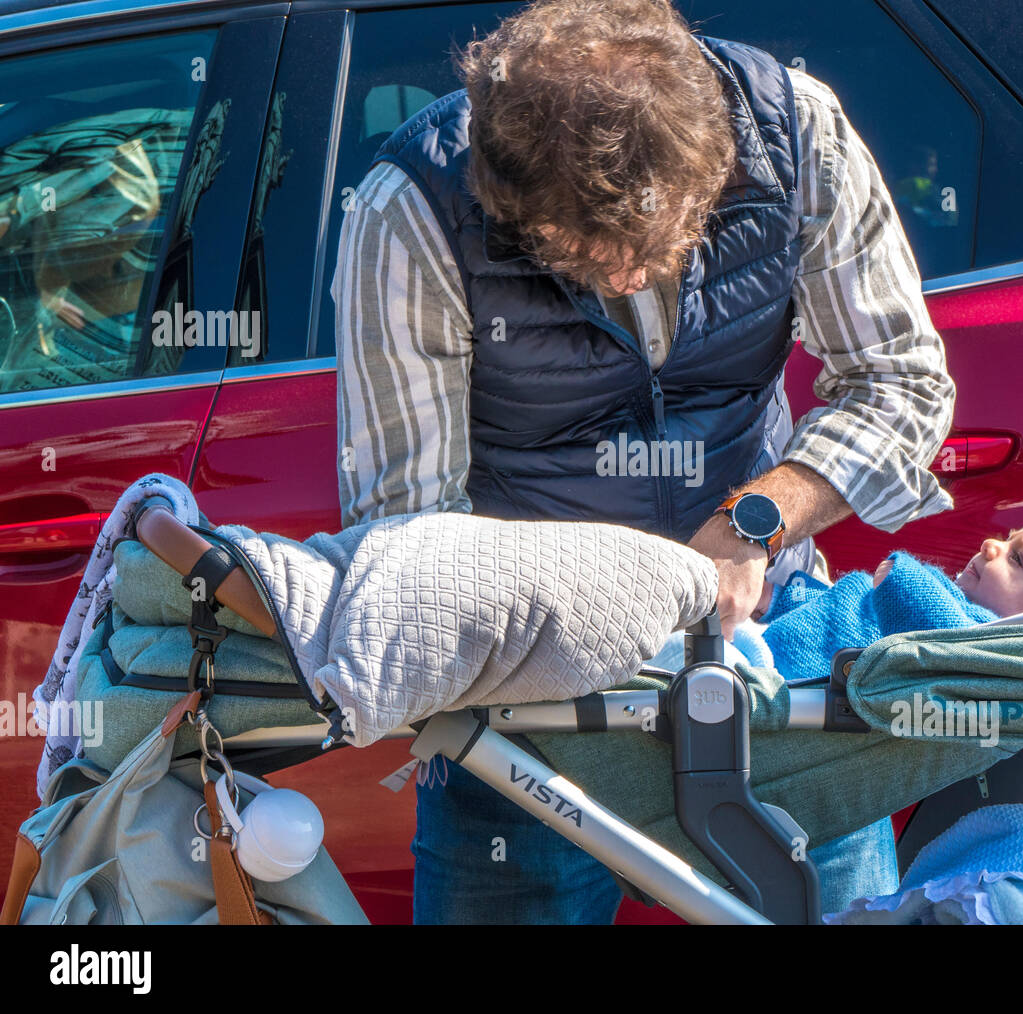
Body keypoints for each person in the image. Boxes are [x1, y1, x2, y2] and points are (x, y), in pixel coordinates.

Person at [332, 0, 956, 923]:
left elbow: (900, 382)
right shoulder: (410, 212)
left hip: (770, 652)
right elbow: (408, 529)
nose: (626, 277)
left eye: (653, 249)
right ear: (506, 196)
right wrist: (599, 605)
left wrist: (757, 523)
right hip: (526, 701)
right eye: (583, 251)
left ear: (714, 168)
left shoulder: (796, 134)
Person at [754, 516, 1023, 684]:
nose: (991, 544)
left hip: (788, 673)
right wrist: (780, 598)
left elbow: (935, 620)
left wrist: (901, 576)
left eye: (1017, 558)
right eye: (1009, 537)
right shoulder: (961, 601)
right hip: (792, 630)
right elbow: (847, 605)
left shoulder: (980, 643)